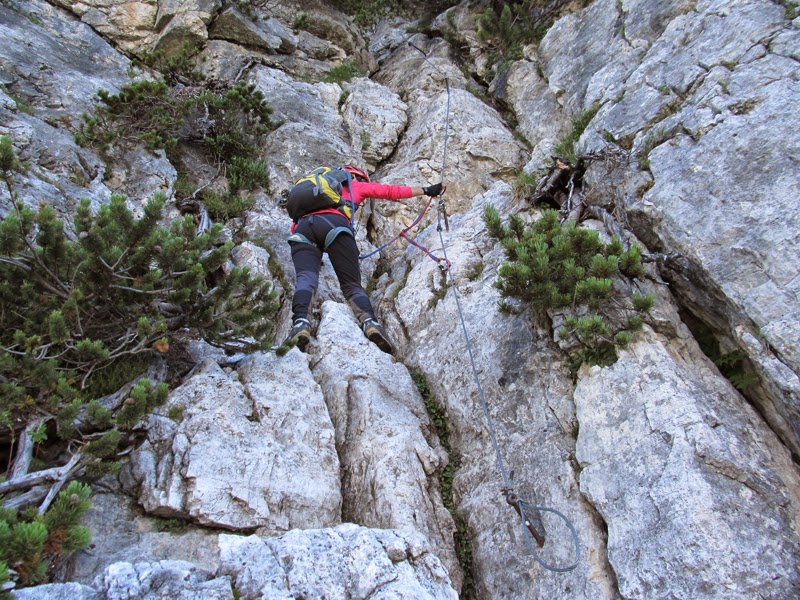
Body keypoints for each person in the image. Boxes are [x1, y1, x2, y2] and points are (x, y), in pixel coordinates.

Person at [284, 165, 444, 353]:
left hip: (303, 229)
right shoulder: (355, 185)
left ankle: (301, 324)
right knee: (351, 286)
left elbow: (296, 228)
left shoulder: (311, 196)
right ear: (354, 177)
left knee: (305, 279)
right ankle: (370, 323)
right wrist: (426, 190)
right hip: (335, 225)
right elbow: (390, 192)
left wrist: (314, 254)